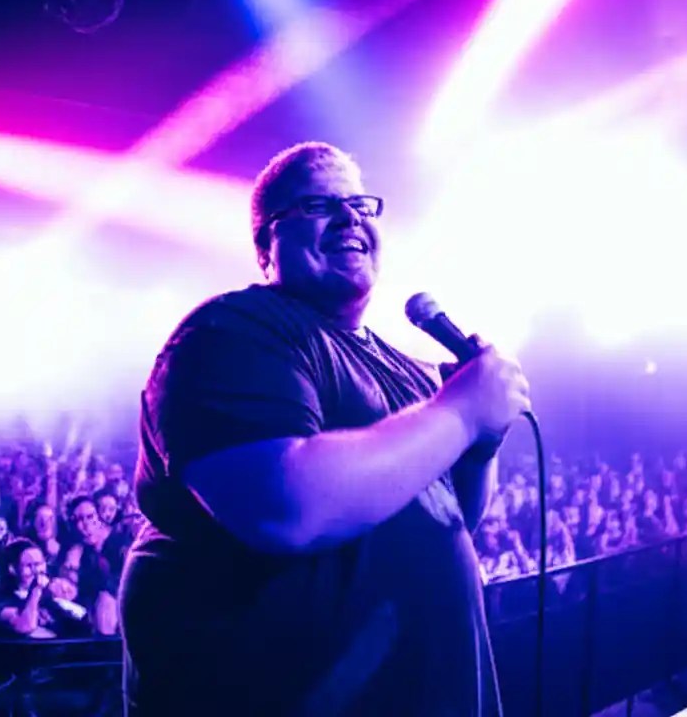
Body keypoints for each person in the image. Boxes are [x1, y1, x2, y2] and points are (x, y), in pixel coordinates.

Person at [118, 142, 530, 716]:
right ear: (267, 247)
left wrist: (480, 445)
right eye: (318, 205)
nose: (350, 217)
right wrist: (458, 413)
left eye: (360, 204)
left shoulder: (404, 368)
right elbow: (285, 508)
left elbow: (449, 512)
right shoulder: (230, 334)